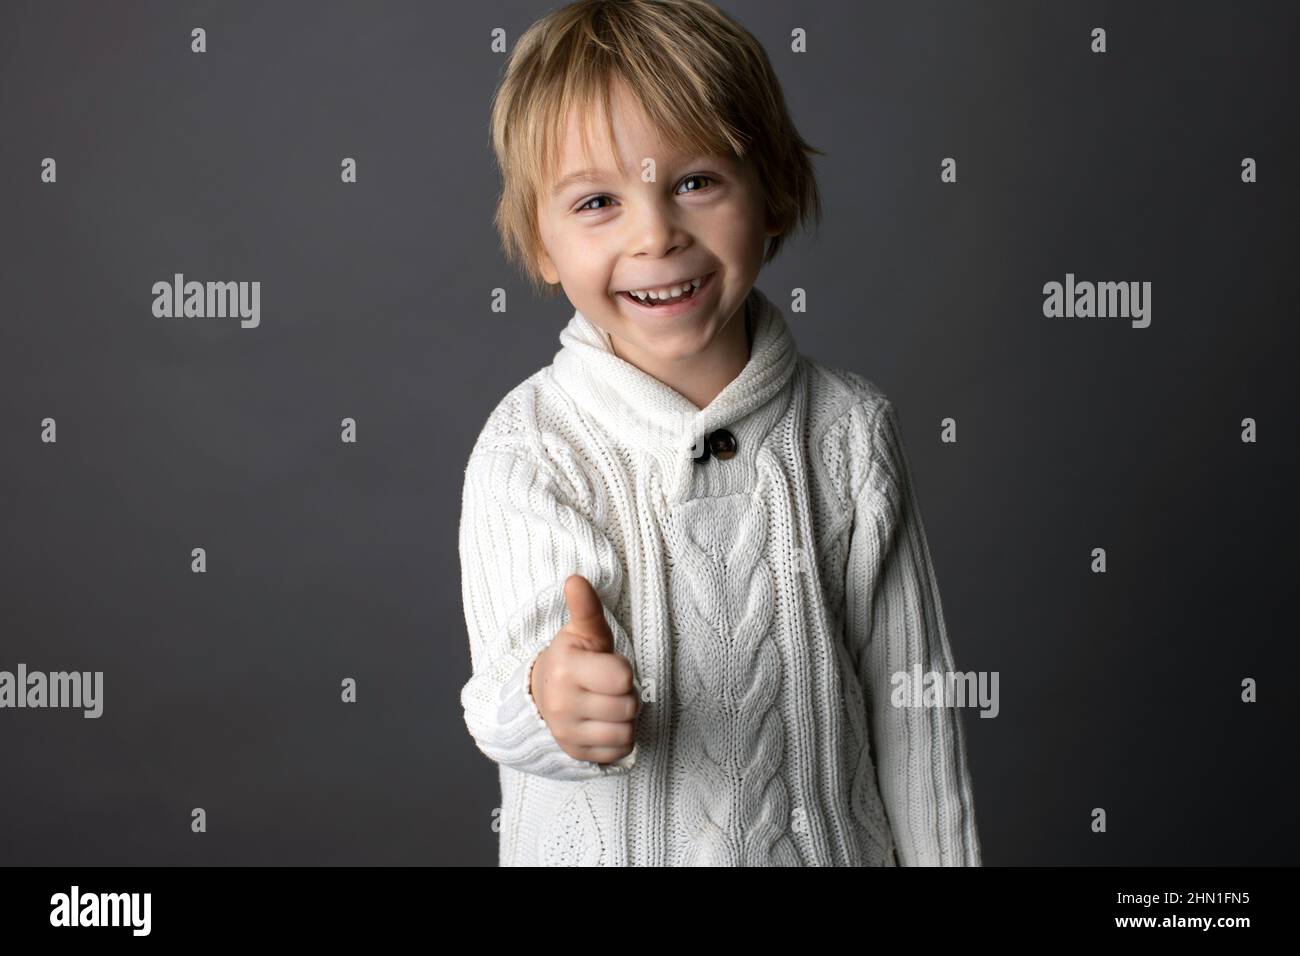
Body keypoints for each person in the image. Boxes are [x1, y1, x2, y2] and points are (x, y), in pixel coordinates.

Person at [458, 0, 982, 866]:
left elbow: (917, 720)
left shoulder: (850, 435)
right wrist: (550, 698)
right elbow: (506, 692)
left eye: (694, 181)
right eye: (597, 201)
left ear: (771, 193)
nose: (656, 234)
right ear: (542, 244)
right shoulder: (531, 449)